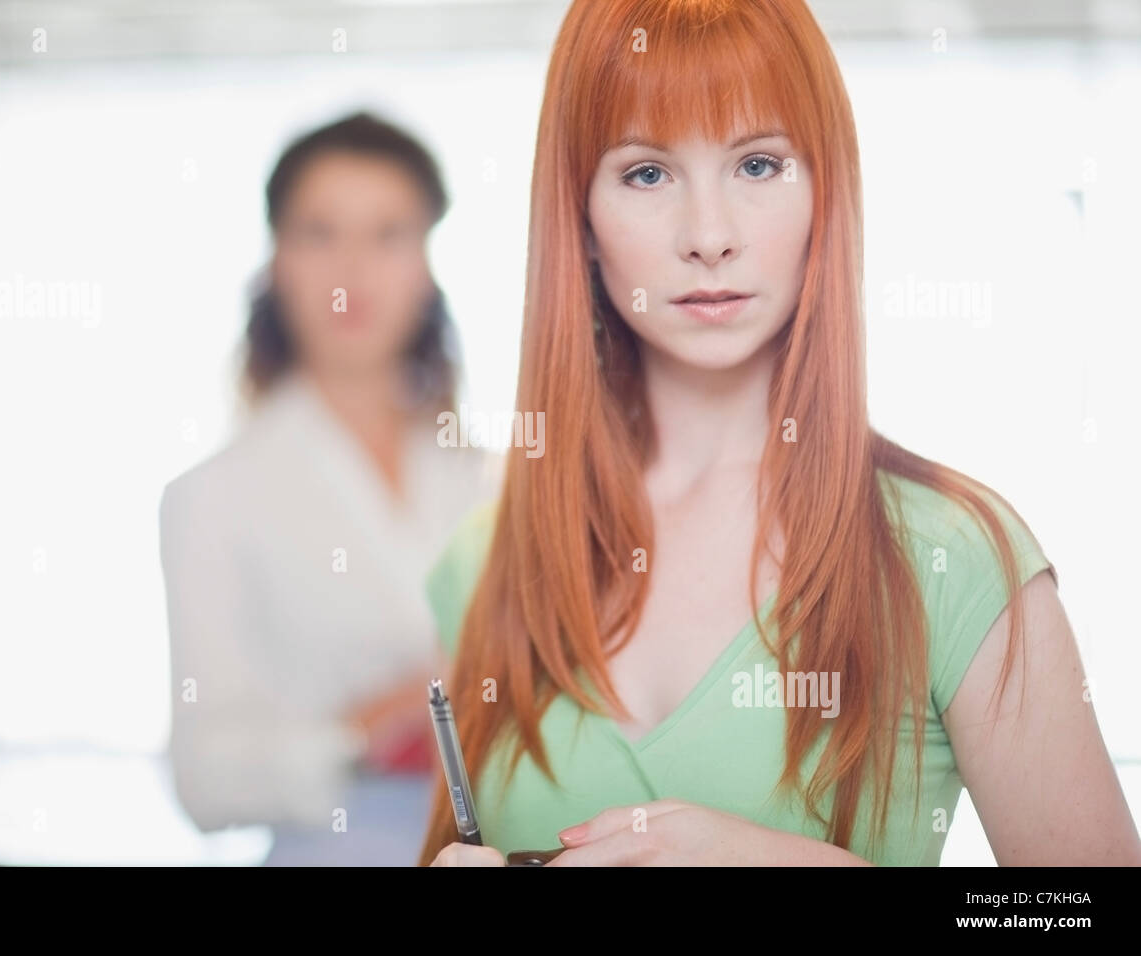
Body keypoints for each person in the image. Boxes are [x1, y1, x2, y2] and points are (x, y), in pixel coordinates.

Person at [421, 0, 1141, 866]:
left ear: (824, 191)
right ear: (577, 218)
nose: (710, 237)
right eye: (646, 174)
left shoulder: (955, 560)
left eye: (759, 164)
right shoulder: (483, 561)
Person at [158, 111, 501, 865]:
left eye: (388, 235)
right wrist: (372, 724)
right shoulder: (212, 496)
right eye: (320, 232)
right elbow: (201, 779)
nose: (354, 272)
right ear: (278, 259)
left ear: (426, 265)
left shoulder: (493, 479)